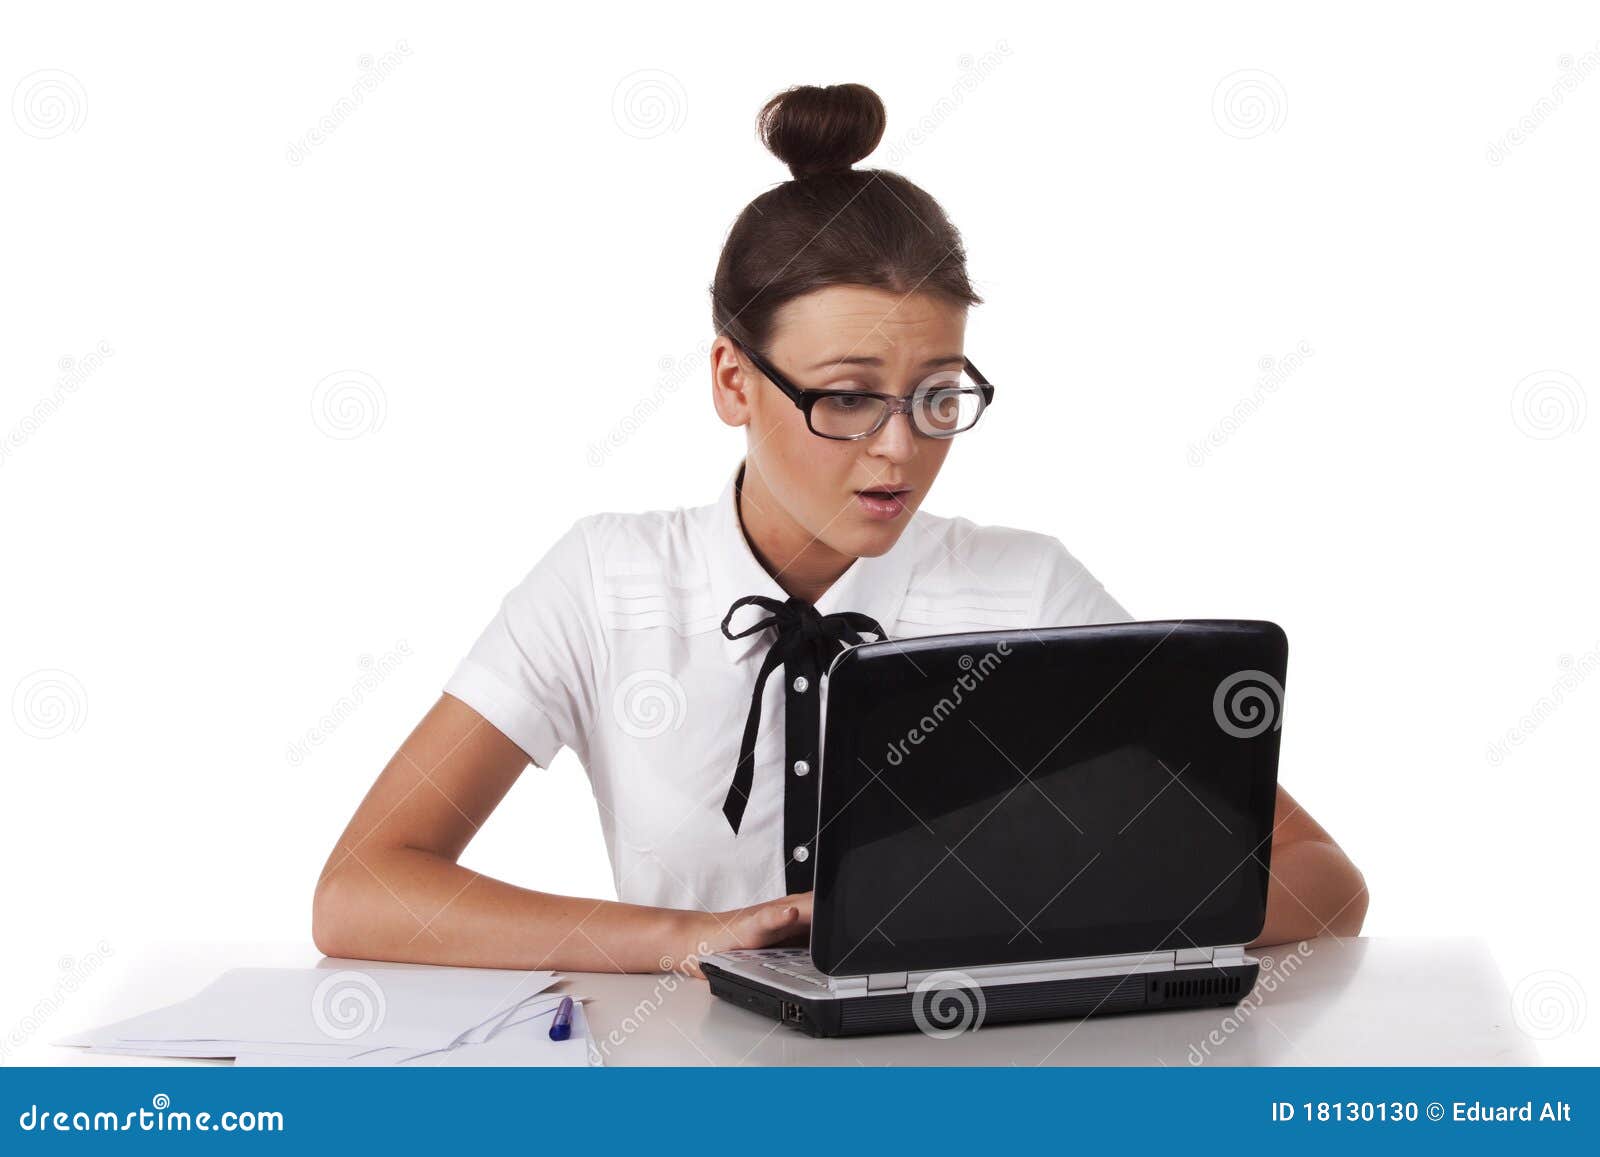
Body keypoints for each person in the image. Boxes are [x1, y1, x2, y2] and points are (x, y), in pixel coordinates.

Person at [312, 82, 1367, 977]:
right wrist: (685, 939)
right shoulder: (608, 579)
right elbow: (360, 889)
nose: (898, 451)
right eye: (847, 397)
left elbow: (1319, 880)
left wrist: (1000, 923)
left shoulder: (1025, 593)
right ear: (734, 379)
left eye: (938, 396)